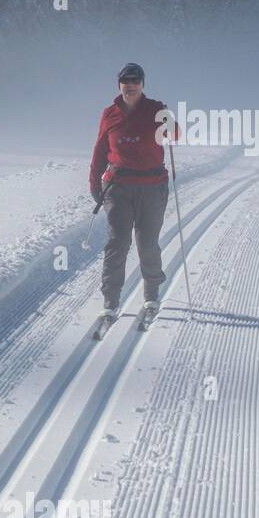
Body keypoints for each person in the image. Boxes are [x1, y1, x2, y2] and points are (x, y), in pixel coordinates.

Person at [89, 63, 177, 324]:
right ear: (119, 84)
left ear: (142, 83)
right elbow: (99, 151)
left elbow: (175, 136)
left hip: (152, 187)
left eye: (135, 80)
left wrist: (170, 121)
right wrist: (95, 184)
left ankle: (151, 295)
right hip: (118, 187)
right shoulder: (110, 114)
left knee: (147, 242)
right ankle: (110, 301)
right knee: (118, 243)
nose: (130, 84)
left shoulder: (155, 110)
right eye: (125, 80)